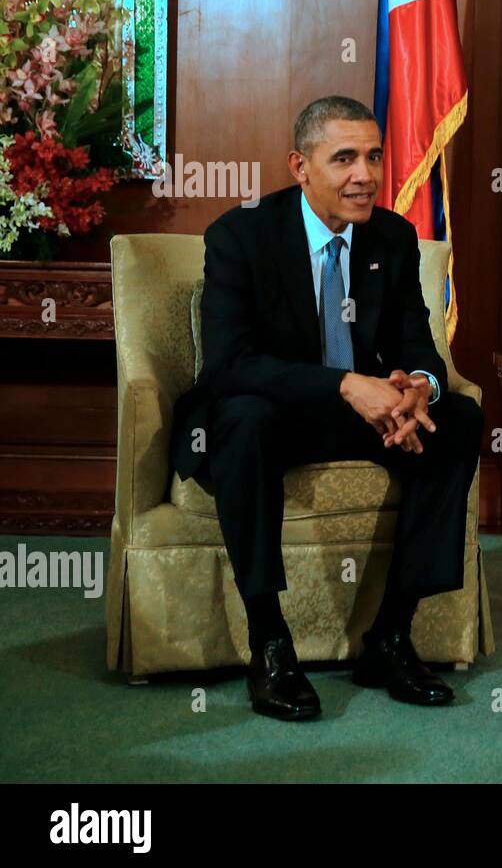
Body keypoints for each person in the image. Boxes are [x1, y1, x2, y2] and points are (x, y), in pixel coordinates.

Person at [170, 96, 483, 721]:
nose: (363, 175)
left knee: (460, 419)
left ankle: (390, 638)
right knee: (243, 419)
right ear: (300, 166)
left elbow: (421, 344)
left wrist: (416, 387)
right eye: (343, 159)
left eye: (372, 157)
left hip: (363, 417)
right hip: (274, 414)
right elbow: (230, 367)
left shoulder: (392, 237)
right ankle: (270, 644)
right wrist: (345, 386)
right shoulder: (240, 235)